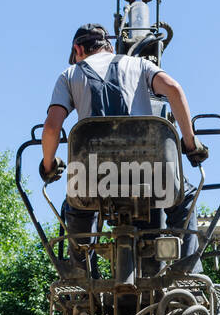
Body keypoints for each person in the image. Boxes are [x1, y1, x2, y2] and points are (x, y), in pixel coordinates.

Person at [39, 23, 208, 274]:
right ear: (108, 45)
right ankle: (187, 272)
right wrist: (191, 144)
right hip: (150, 175)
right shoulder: (140, 65)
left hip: (94, 178)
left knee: (76, 206)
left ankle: (83, 274)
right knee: (184, 198)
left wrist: (49, 165)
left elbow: (52, 128)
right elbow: (173, 90)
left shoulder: (69, 75)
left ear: (78, 49)